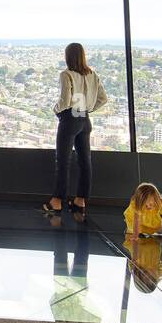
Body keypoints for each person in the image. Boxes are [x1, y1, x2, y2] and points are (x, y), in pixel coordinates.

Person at [42, 42, 107, 216]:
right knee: (85, 161)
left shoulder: (66, 74)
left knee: (63, 161)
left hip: (70, 118)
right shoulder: (93, 74)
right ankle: (80, 200)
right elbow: (103, 99)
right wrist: (87, 108)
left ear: (67, 57)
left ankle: (56, 201)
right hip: (84, 118)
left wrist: (56, 110)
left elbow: (65, 99)